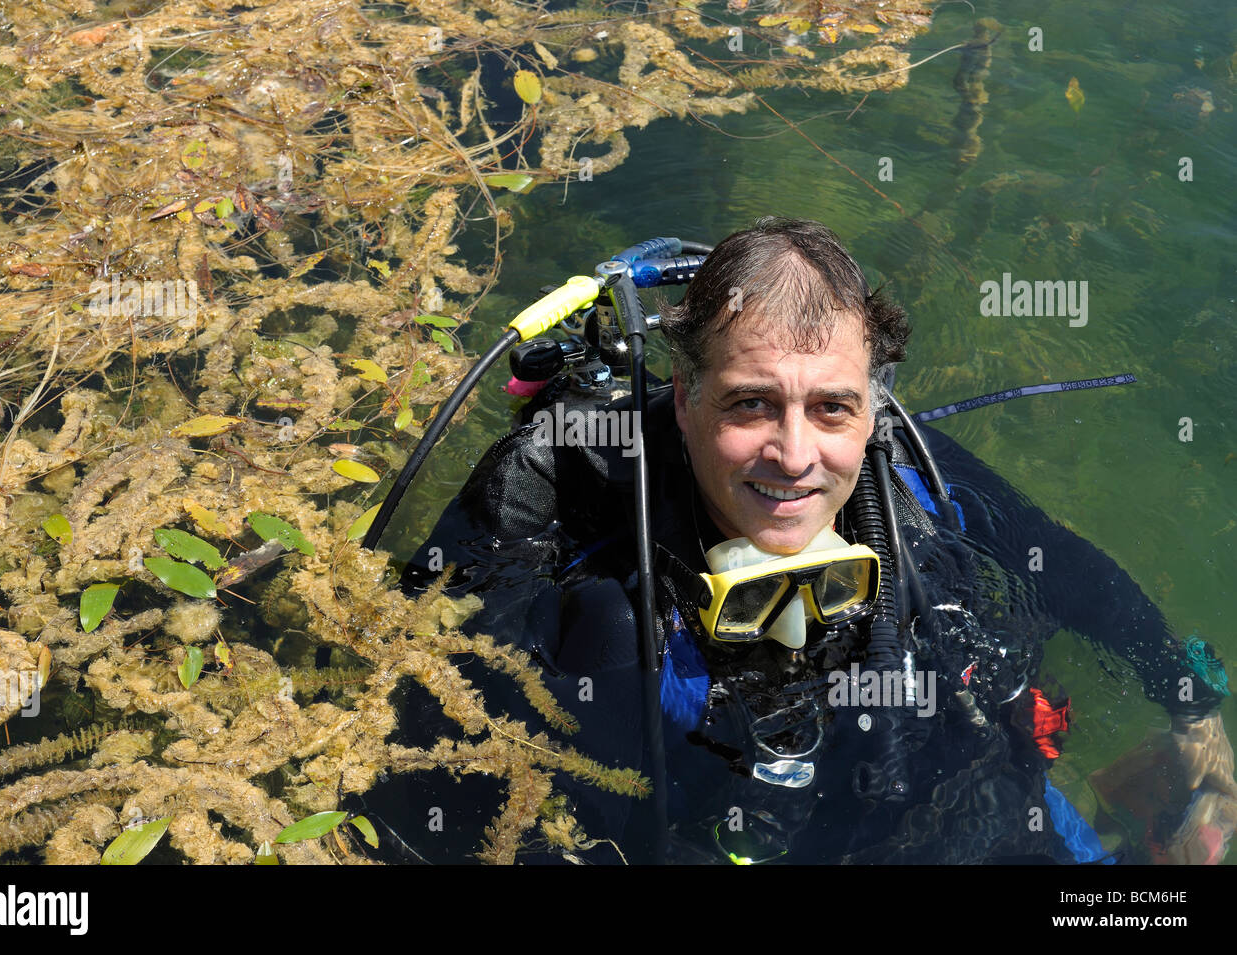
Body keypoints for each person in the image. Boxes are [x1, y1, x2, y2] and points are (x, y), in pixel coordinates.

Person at [400, 217, 1236, 864]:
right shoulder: (569, 514)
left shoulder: (905, 470)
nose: (795, 456)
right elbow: (417, 709)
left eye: (831, 407)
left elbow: (1069, 567)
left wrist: (1194, 704)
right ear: (685, 396)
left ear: (870, 405)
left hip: (949, 802)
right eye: (750, 404)